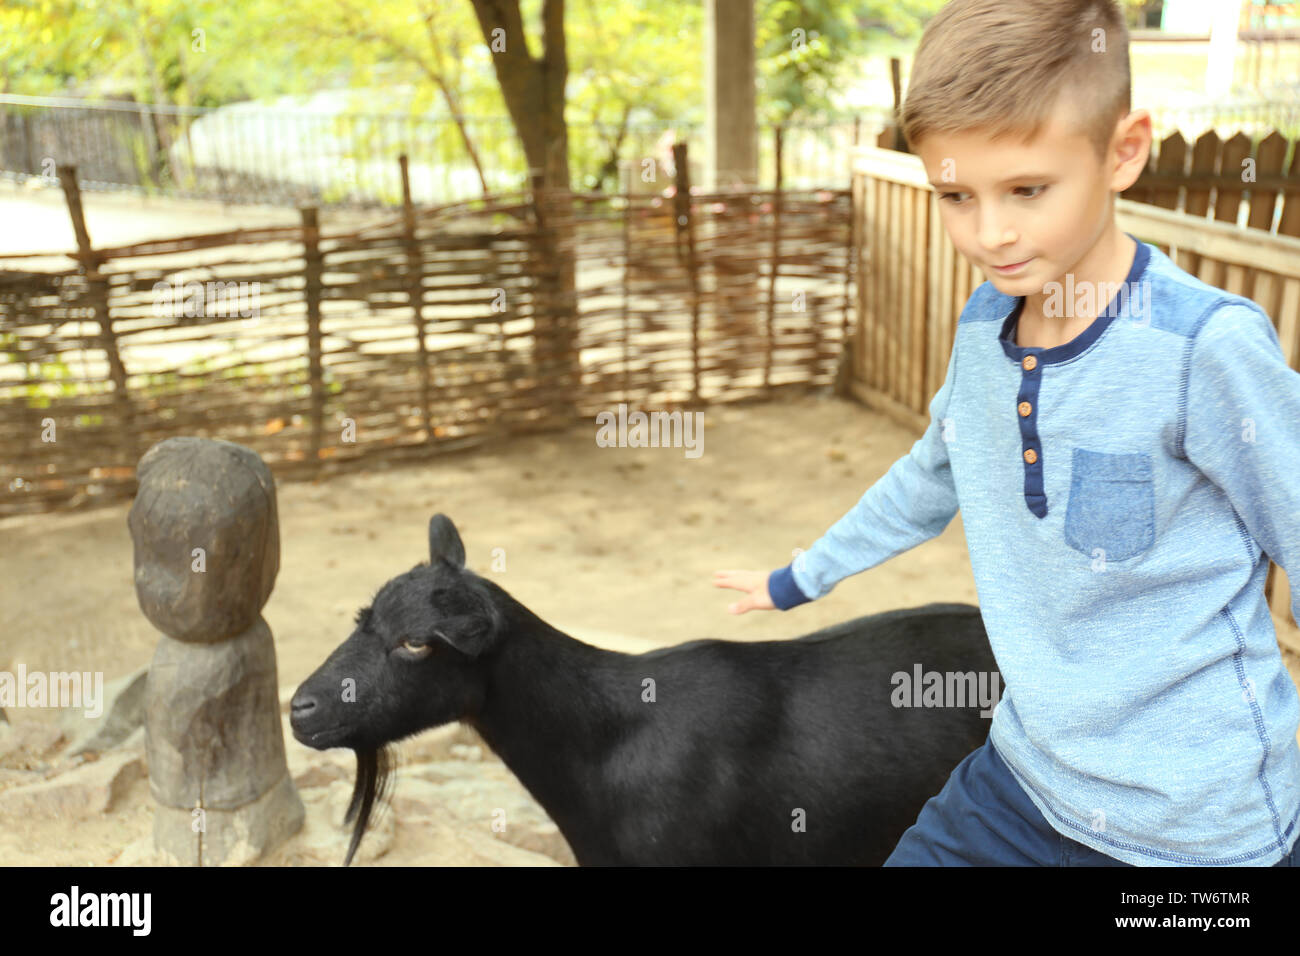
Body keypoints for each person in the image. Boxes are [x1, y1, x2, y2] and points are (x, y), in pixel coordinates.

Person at [713, 0, 1300, 867]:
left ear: (1123, 151)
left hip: (1196, 833)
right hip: (1023, 786)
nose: (990, 234)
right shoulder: (987, 323)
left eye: (1027, 189)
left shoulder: (1203, 350)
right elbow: (931, 473)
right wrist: (800, 576)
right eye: (955, 195)